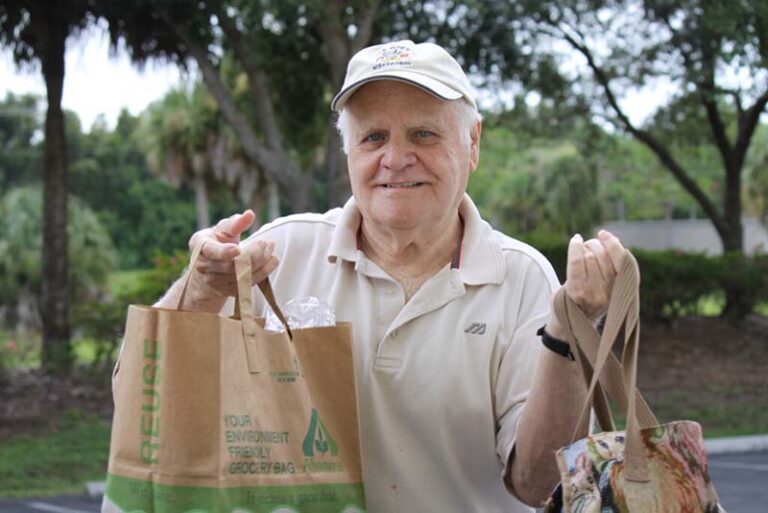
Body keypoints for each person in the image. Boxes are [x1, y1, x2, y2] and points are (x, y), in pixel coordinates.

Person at [156, 40, 626, 512]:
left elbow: (538, 484)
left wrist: (567, 333)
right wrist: (197, 294)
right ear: (348, 152)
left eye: (423, 134)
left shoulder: (522, 278)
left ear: (473, 143)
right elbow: (149, 402)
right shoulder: (279, 254)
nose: (396, 158)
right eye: (373, 137)